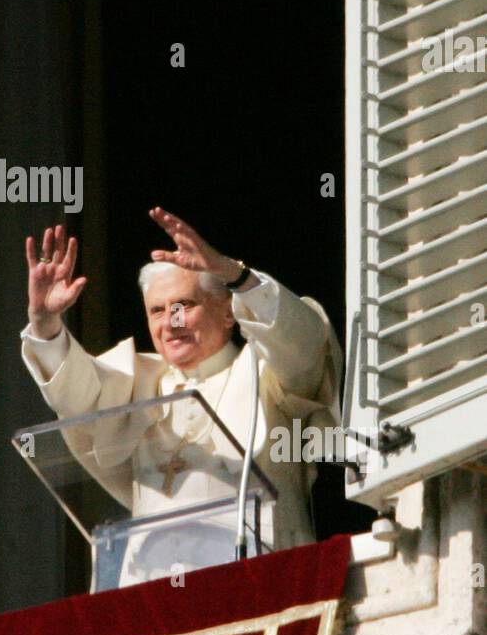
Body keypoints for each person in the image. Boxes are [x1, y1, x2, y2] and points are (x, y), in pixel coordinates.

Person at [20, 207, 342, 583]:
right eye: (157, 311)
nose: (170, 323)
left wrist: (235, 276)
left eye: (184, 306)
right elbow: (74, 393)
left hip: (259, 579)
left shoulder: (267, 373)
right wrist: (45, 324)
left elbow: (303, 346)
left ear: (228, 314)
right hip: (149, 592)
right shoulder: (137, 380)